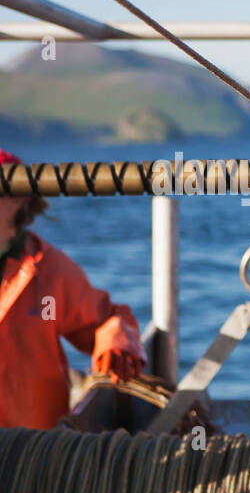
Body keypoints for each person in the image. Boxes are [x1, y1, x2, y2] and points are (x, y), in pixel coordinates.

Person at [0, 148, 144, 429]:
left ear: (18, 199)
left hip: (33, 450)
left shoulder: (51, 272)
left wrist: (117, 343)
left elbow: (106, 319)